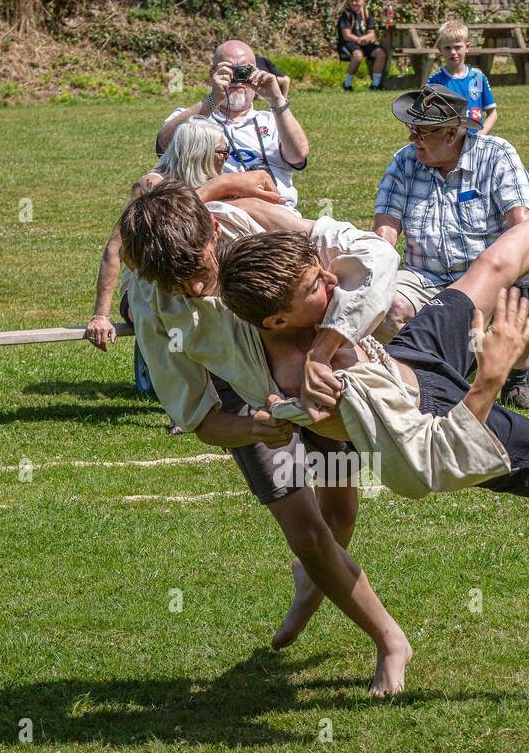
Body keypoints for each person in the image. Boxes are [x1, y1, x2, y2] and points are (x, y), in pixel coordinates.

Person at [216, 152, 529, 708]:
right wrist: (491, 374)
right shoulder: (320, 387)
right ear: (277, 321)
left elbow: (362, 258)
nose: (333, 283)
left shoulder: (281, 327)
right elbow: (429, 462)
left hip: (411, 358)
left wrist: (225, 193)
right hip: (442, 414)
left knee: (489, 269)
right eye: (316, 286)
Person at [115, 180, 412, 697]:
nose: (196, 291)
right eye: (177, 285)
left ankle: (313, 582)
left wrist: (326, 344)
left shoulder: (255, 220)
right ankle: (390, 641)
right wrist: (253, 427)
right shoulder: (152, 302)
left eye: (201, 271)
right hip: (241, 399)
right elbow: (197, 413)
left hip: (310, 374)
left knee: (340, 514)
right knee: (306, 531)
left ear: (212, 227)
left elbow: (377, 256)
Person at [85, 118, 283, 432]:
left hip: (197, 281)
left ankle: (250, 388)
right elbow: (116, 250)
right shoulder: (153, 185)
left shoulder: (221, 179)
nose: (227, 157)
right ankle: (189, 403)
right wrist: (100, 314)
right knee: (177, 312)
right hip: (147, 285)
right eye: (222, 151)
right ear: (200, 152)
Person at [374, 84, 529, 412]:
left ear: (452, 134)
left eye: (422, 132)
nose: (413, 139)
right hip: (425, 277)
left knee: (524, 289)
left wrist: (519, 264)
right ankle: (429, 380)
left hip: (486, 277)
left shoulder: (496, 154)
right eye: (411, 129)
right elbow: (385, 229)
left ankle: (516, 381)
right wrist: (373, 272)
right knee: (387, 304)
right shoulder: (404, 162)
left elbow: (520, 219)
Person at [154, 39, 309, 211]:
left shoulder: (273, 120)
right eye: (228, 71)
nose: (236, 79)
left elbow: (298, 155)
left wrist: (277, 99)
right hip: (220, 212)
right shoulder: (194, 118)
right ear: (212, 73)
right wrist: (213, 99)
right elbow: (164, 143)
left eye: (244, 70)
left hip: (279, 210)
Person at [427, 19, 497, 135]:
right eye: (447, 48)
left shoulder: (478, 78)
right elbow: (425, 115)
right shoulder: (435, 82)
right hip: (448, 144)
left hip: (475, 143)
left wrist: (480, 136)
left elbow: (492, 113)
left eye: (458, 47)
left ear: (467, 47)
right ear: (440, 50)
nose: (453, 52)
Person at [337, 0, 387, 92]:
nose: (354, 3)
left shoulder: (367, 14)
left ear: (363, 1)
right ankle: (347, 84)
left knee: (381, 53)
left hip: (364, 42)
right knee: (358, 55)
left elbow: (372, 33)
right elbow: (346, 35)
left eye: (357, 0)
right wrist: (358, 40)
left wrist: (367, 38)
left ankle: (375, 84)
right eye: (352, 1)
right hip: (349, 43)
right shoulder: (346, 15)